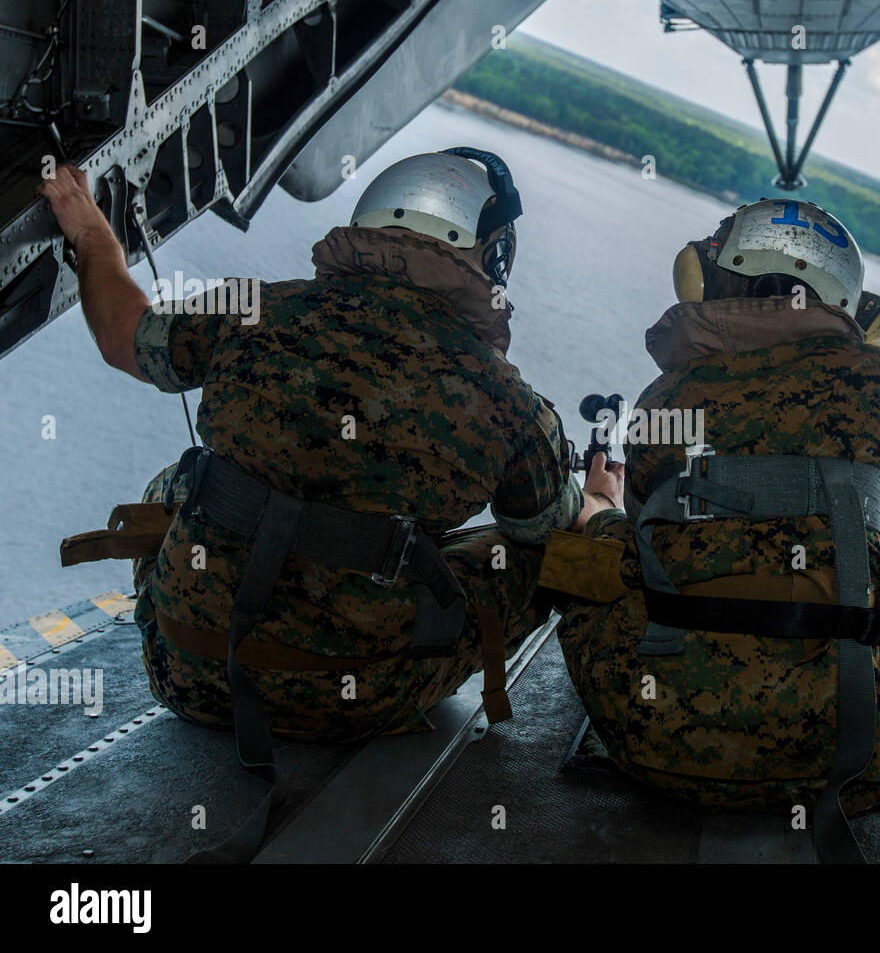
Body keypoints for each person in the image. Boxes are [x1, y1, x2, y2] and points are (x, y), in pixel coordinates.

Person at [39, 149, 618, 860]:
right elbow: (551, 528)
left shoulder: (254, 309)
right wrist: (599, 497)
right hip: (358, 700)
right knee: (532, 557)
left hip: (186, 669)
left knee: (183, 483)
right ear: (492, 260)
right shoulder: (506, 401)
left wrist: (95, 238)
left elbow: (123, 335)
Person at [549, 198, 880, 863]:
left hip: (654, 740)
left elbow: (653, 558)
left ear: (708, 282)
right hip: (859, 752)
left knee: (599, 544)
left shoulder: (664, 398)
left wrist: (600, 509)